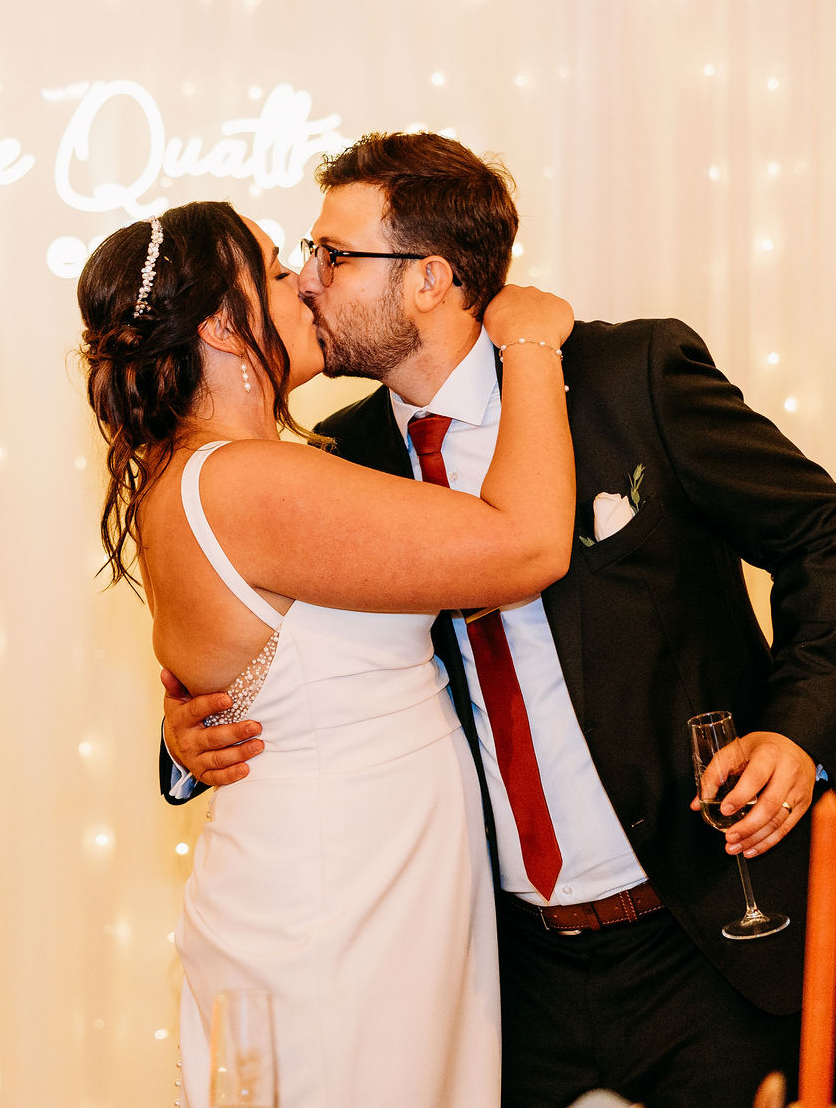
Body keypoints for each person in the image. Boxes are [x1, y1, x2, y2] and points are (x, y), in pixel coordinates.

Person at [161, 133, 836, 1108]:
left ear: (426, 279)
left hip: (708, 933)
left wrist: (797, 732)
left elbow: (826, 534)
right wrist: (182, 733)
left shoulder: (627, 378)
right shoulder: (341, 463)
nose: (305, 282)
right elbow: (267, 646)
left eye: (332, 256)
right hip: (502, 977)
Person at [77, 198, 581, 1108]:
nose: (306, 282)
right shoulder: (248, 481)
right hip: (340, 908)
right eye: (275, 270)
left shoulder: (194, 477)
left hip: (353, 885)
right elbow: (530, 546)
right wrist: (534, 346)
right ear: (225, 330)